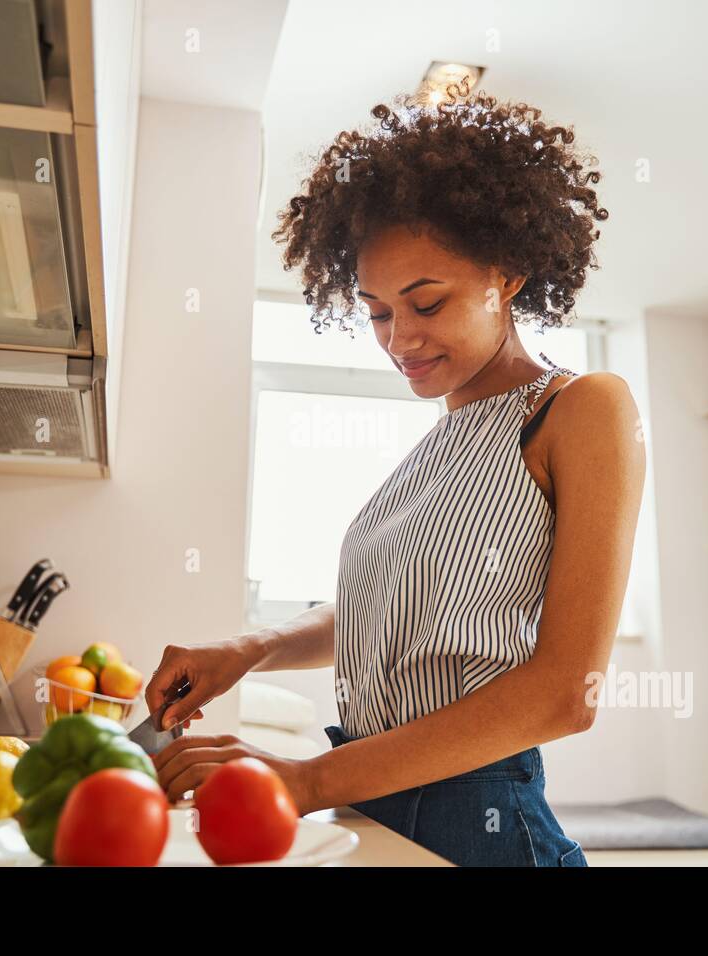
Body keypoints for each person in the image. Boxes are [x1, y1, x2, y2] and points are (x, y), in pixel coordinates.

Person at [147, 89, 645, 866]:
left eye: (427, 302)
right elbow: (391, 616)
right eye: (378, 312)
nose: (399, 339)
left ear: (505, 275)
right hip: (372, 799)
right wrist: (249, 648)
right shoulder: (440, 444)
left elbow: (563, 695)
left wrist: (307, 781)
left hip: (477, 818)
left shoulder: (580, 410)